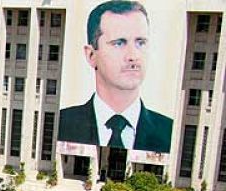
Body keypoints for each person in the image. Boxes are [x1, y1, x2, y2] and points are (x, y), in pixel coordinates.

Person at [57, 0, 172, 152]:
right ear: (91, 55)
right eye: (119, 43)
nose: (133, 56)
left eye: (140, 43)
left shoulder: (167, 131)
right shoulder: (63, 123)